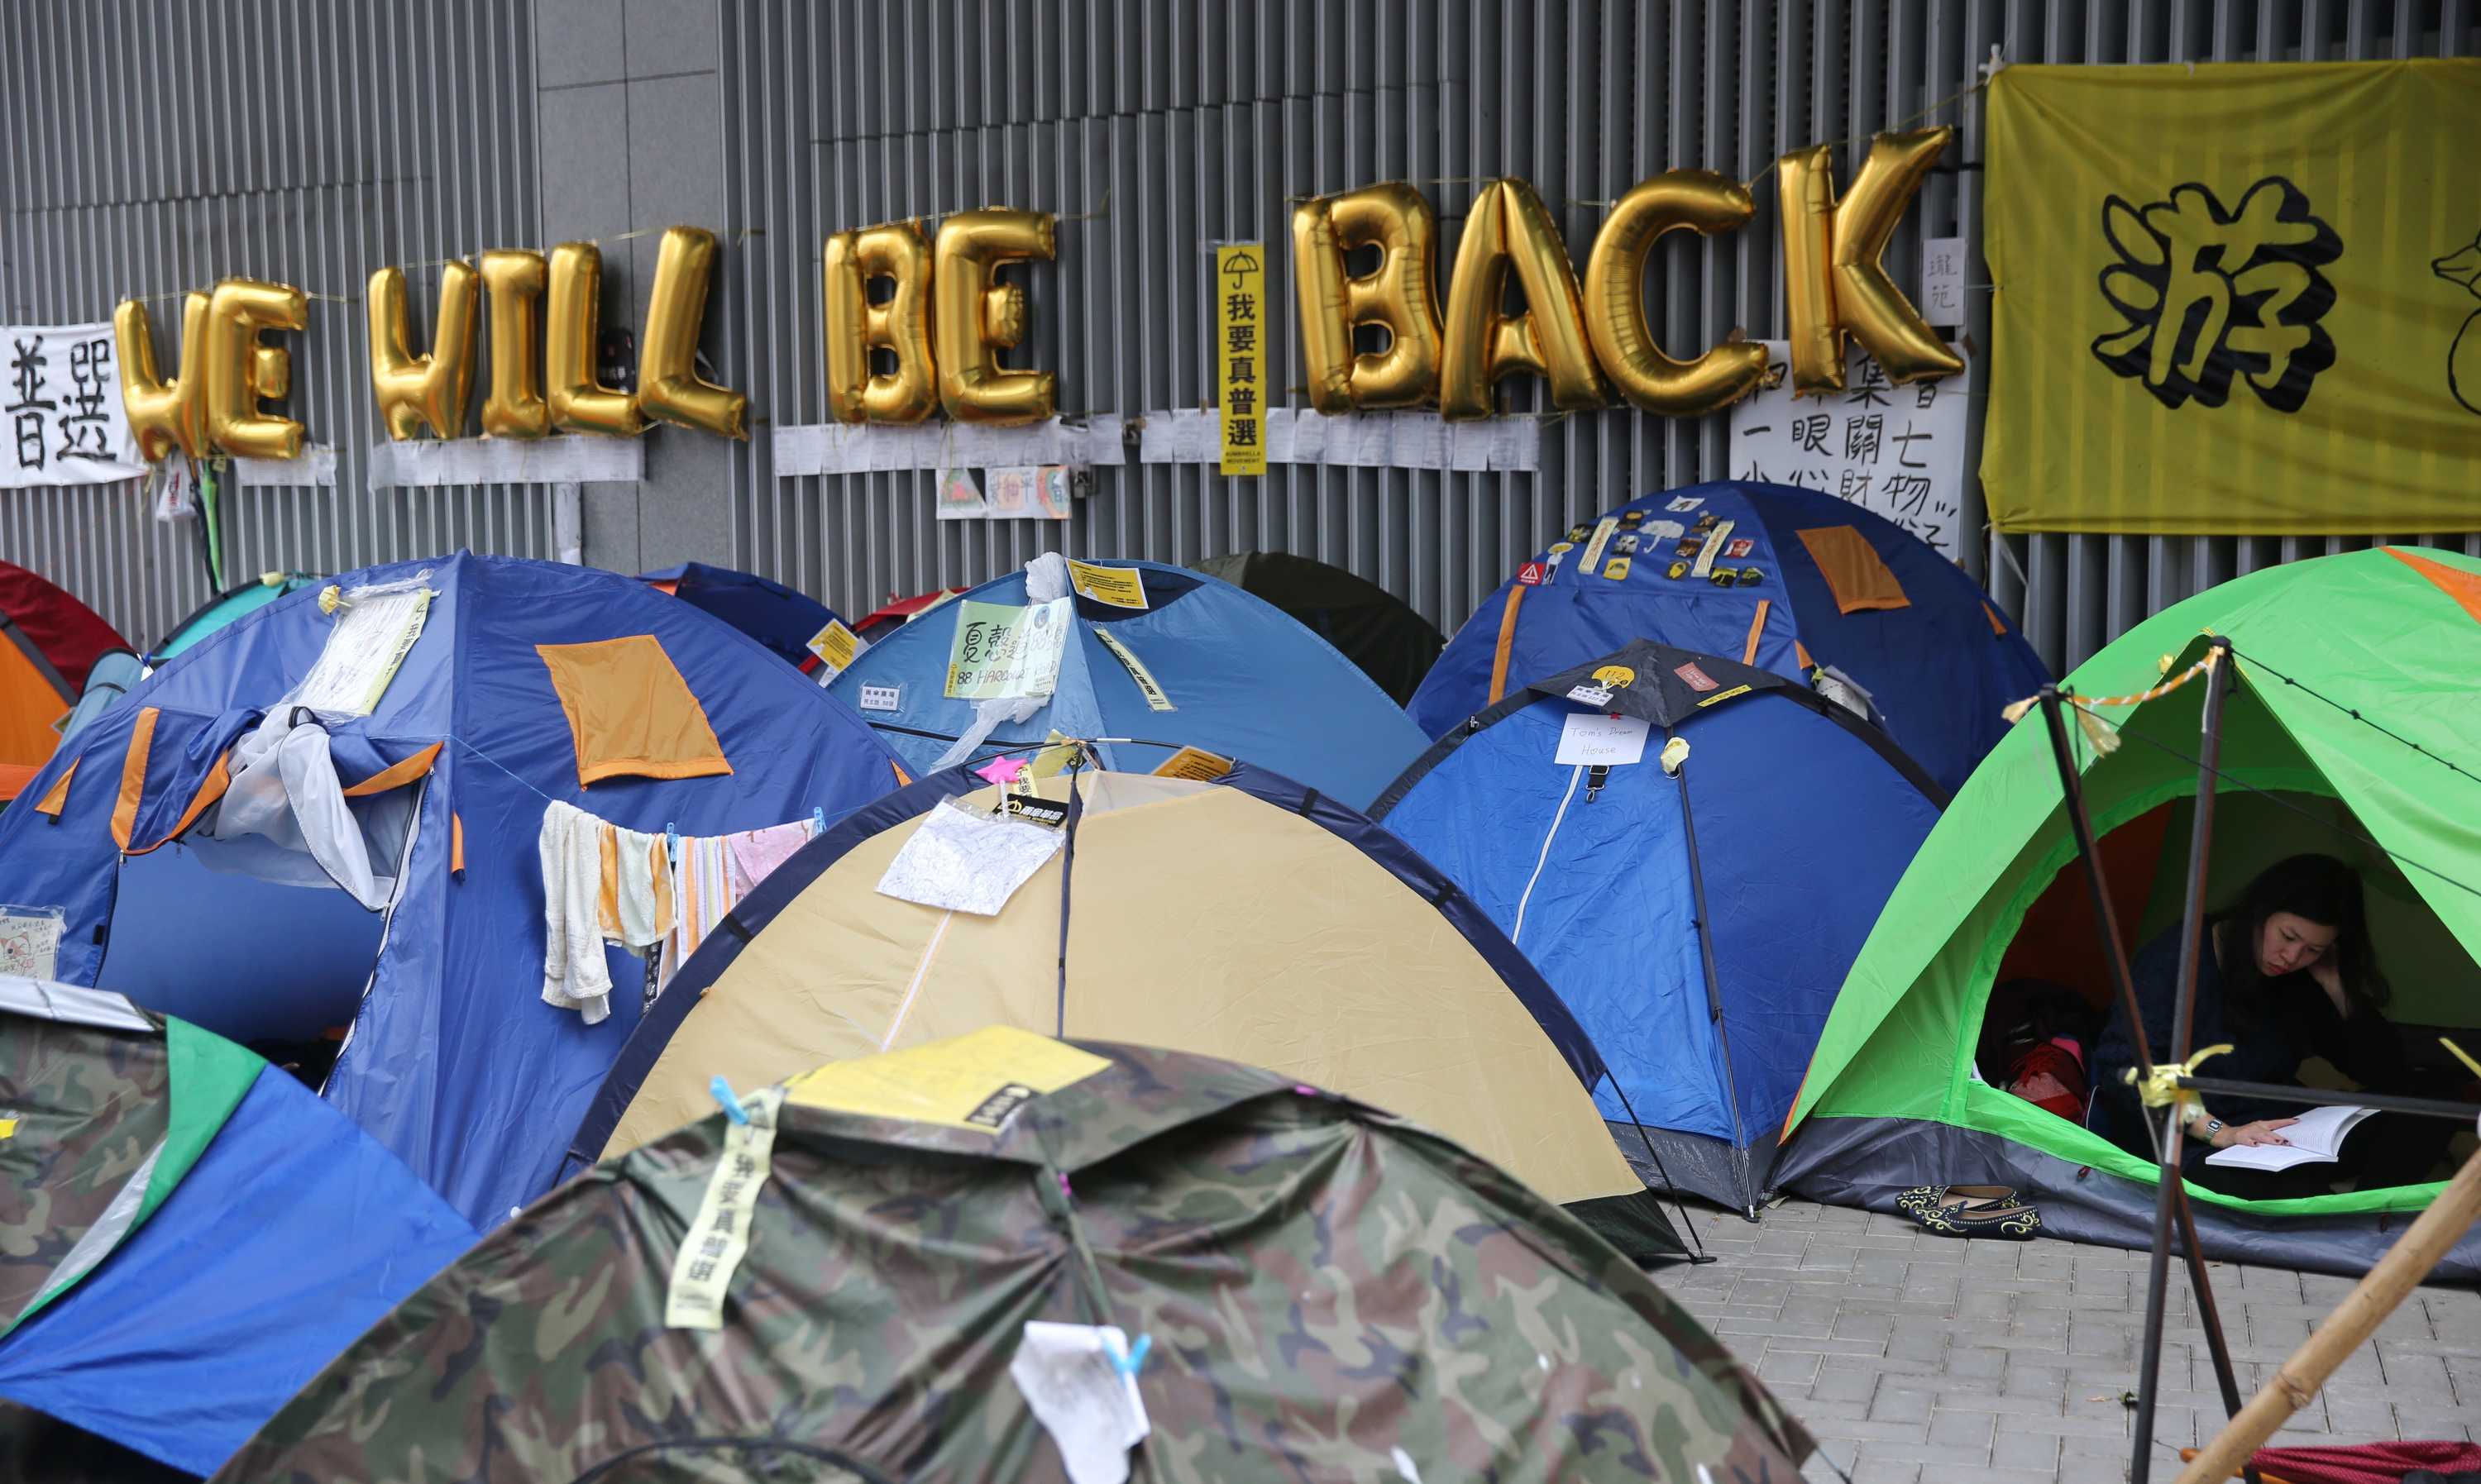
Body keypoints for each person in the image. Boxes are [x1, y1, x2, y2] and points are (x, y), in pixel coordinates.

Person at [2088, 853, 2455, 1200]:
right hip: (2197, 1137)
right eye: (2288, 937)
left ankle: (2368, 1206)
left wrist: (2339, 991)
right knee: (2283, 1192)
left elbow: (2384, 1074)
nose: (2292, 957)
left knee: (2435, 1101)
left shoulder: (2302, 976)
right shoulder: (2179, 957)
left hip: (2279, 1129)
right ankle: (2336, 1208)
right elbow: (2128, 1067)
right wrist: (2220, 1131)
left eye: (2313, 949)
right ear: (2260, 913)